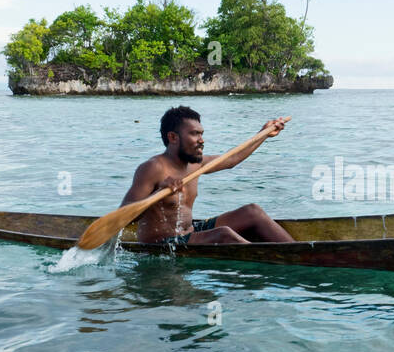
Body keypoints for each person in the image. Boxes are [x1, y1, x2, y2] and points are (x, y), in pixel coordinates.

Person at [121, 106, 296, 247]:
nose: (201, 140)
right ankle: (277, 258)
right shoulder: (153, 168)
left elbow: (232, 158)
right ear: (173, 137)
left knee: (252, 212)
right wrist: (159, 192)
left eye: (201, 133)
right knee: (223, 234)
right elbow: (124, 215)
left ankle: (298, 250)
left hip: (189, 231)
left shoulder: (195, 163)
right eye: (194, 134)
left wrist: (263, 133)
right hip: (162, 244)